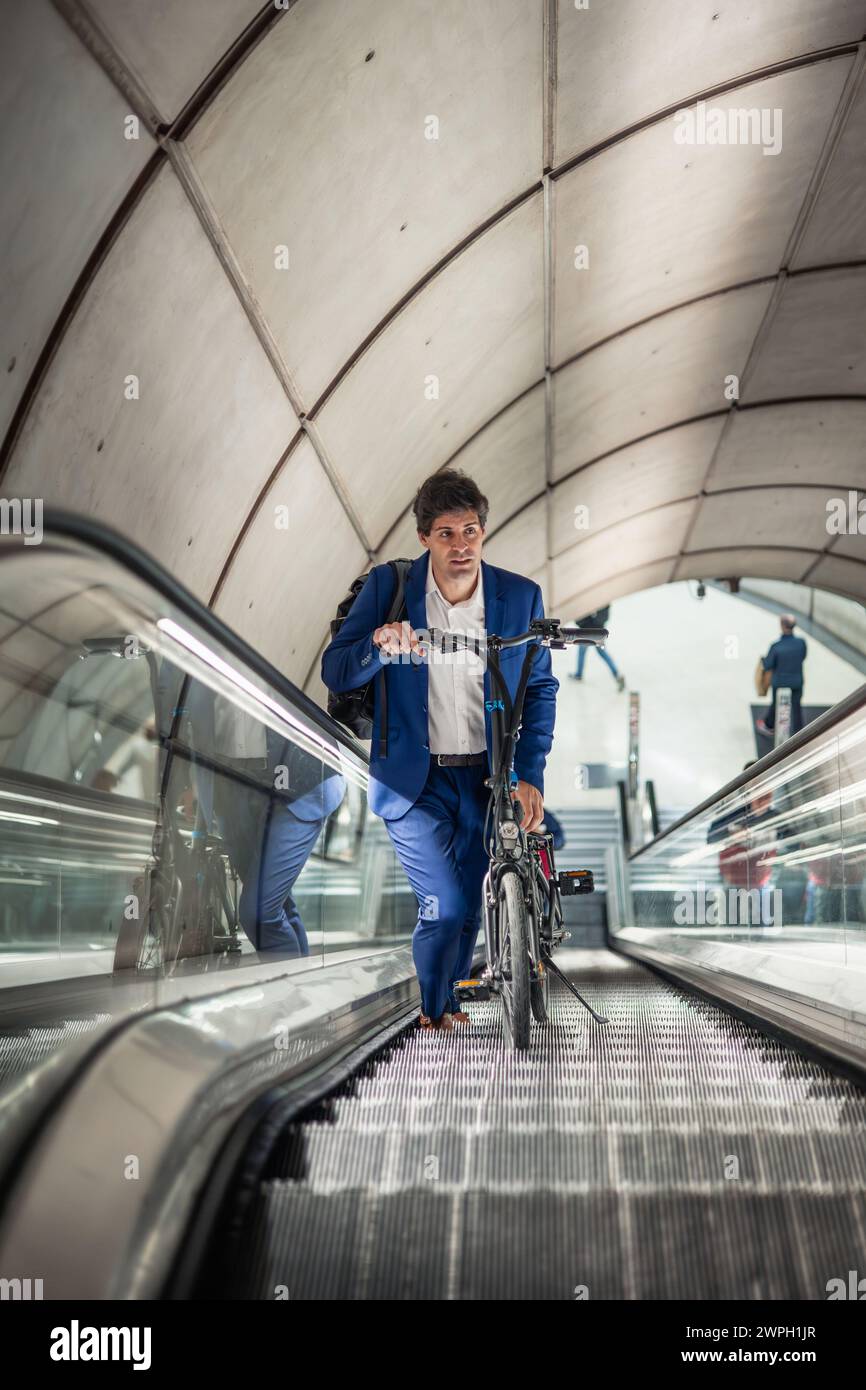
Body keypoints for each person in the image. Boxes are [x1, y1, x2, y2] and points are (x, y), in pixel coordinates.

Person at [321, 468, 558, 1032]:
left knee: (474, 903)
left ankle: (449, 1003)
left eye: (471, 531)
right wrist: (378, 644)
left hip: (487, 777)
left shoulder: (519, 597)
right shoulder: (389, 589)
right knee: (445, 905)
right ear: (425, 537)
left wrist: (529, 773)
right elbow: (336, 667)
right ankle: (432, 1008)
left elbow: (540, 688)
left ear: (483, 532)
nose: (461, 546)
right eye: (447, 534)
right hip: (414, 779)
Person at [755, 614, 807, 737]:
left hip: (780, 682)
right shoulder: (801, 643)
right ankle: (799, 732)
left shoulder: (776, 647)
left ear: (782, 626)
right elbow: (803, 657)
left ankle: (769, 725)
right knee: (797, 705)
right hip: (797, 681)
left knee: (776, 704)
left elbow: (767, 665)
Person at [568, 605, 625, 691]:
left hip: (586, 632)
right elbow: (603, 618)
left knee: (582, 653)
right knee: (602, 653)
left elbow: (580, 620)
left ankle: (578, 675)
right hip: (597, 632)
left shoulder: (587, 602)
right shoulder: (602, 603)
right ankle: (617, 675)